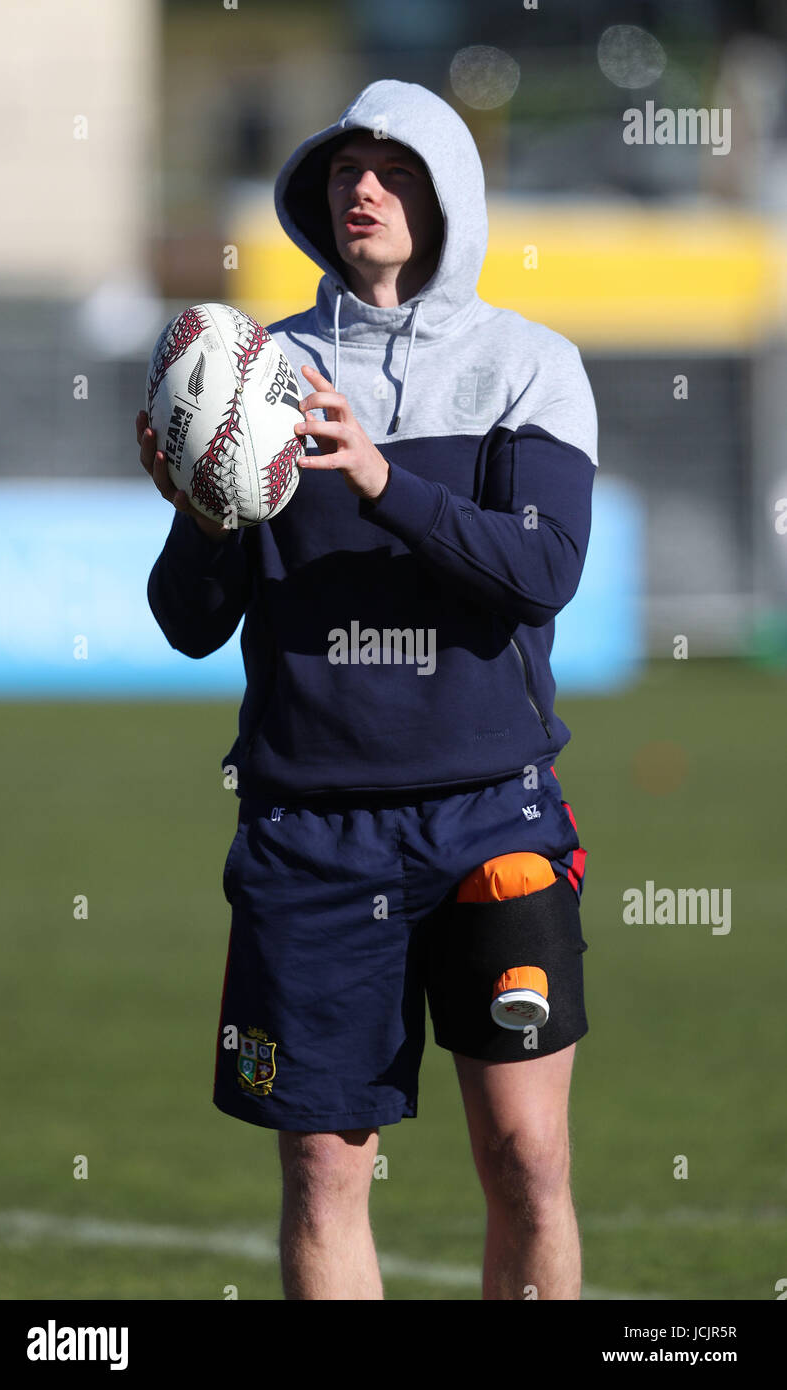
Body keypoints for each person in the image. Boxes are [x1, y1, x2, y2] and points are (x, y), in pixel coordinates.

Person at [138, 78, 598, 1301]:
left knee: (528, 1157)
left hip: (493, 820)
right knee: (325, 1177)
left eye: (393, 169)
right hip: (310, 831)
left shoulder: (528, 368)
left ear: (449, 194)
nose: (365, 188)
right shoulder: (260, 374)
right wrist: (204, 511)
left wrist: (386, 481)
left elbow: (544, 570)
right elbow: (188, 624)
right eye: (346, 169)